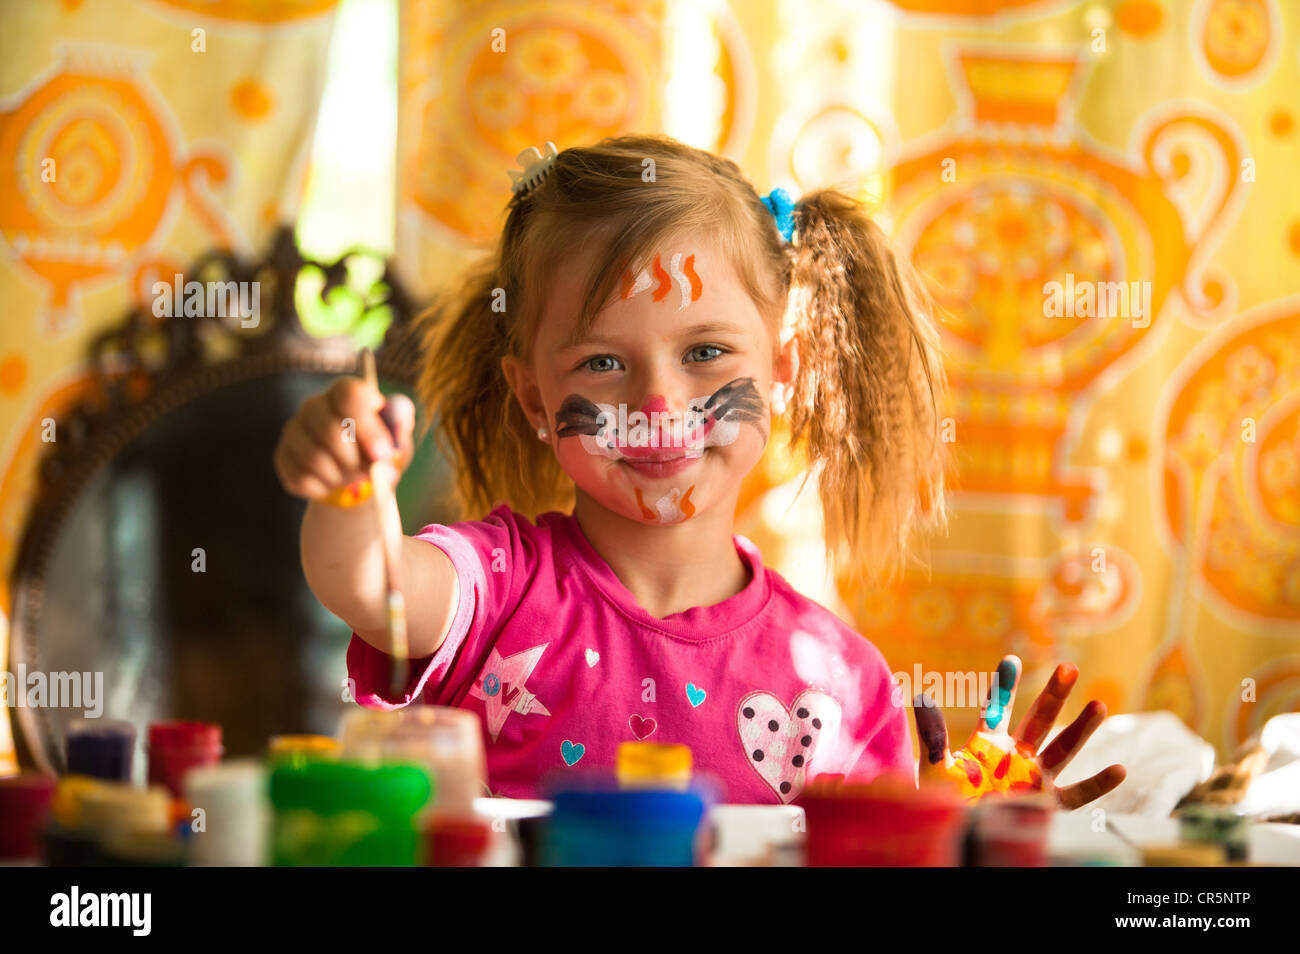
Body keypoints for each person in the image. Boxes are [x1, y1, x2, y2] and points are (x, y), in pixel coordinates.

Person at [274, 133, 1124, 806]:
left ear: (783, 366)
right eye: (602, 363)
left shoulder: (841, 681)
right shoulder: (495, 589)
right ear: (534, 398)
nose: (659, 402)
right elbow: (367, 578)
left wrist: (963, 835)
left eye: (708, 352)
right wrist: (350, 480)